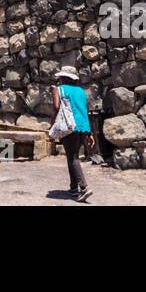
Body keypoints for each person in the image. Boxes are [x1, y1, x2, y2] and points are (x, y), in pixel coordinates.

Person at [52, 67, 94, 201]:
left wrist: (53, 122)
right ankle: (73, 188)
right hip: (82, 126)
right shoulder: (82, 92)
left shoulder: (59, 89)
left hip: (69, 126)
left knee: (73, 157)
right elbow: (84, 111)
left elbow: (56, 107)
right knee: (72, 156)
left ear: (63, 78)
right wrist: (90, 132)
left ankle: (84, 187)